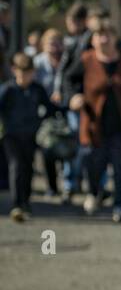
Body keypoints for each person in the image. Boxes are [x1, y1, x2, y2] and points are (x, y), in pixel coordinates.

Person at [64, 22, 121, 223]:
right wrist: (73, 97)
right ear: (93, 39)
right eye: (100, 35)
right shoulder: (85, 59)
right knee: (93, 162)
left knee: (120, 166)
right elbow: (69, 81)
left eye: (108, 34)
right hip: (94, 123)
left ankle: (120, 204)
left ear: (116, 37)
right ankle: (93, 193)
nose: (104, 39)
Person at [0, 53, 58, 222]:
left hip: (31, 135)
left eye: (29, 72)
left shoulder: (37, 89)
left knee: (28, 167)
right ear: (14, 71)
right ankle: (17, 204)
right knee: (16, 166)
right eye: (22, 72)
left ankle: (25, 201)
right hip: (11, 135)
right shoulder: (8, 89)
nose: (25, 76)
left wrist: (63, 107)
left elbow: (49, 107)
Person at [52, 4, 93, 202]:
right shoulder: (72, 42)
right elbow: (64, 72)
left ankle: (91, 185)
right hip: (72, 102)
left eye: (71, 22)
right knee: (72, 144)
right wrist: (59, 91)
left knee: (88, 144)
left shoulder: (89, 41)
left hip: (86, 102)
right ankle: (70, 184)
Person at [33, 29, 67, 198]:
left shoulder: (66, 61)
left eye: (56, 42)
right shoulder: (38, 63)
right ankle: (52, 186)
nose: (53, 47)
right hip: (45, 111)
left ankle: (68, 184)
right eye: (49, 43)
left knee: (66, 147)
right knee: (47, 149)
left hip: (64, 109)